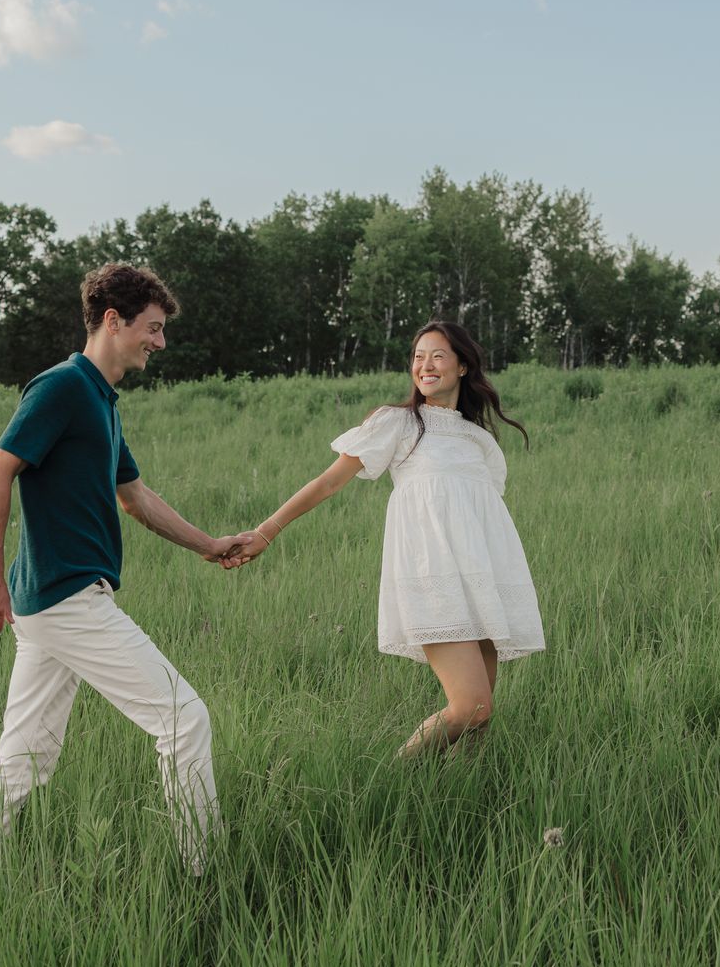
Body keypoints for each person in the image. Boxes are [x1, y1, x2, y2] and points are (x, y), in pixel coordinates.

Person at [0, 263, 248, 902]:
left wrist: (209, 545)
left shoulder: (102, 401)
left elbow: (135, 497)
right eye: (153, 328)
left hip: (52, 601)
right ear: (113, 321)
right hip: (66, 597)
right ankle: (204, 879)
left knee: (24, 758)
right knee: (184, 719)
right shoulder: (62, 387)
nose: (160, 342)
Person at [225, 319, 540, 756]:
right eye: (418, 357)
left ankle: (460, 792)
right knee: (470, 707)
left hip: (481, 579)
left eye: (438, 356)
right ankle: (395, 776)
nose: (425, 365)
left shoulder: (478, 440)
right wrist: (265, 531)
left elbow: (484, 516)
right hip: (434, 579)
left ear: (463, 366)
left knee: (480, 719)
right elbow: (328, 482)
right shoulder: (398, 423)